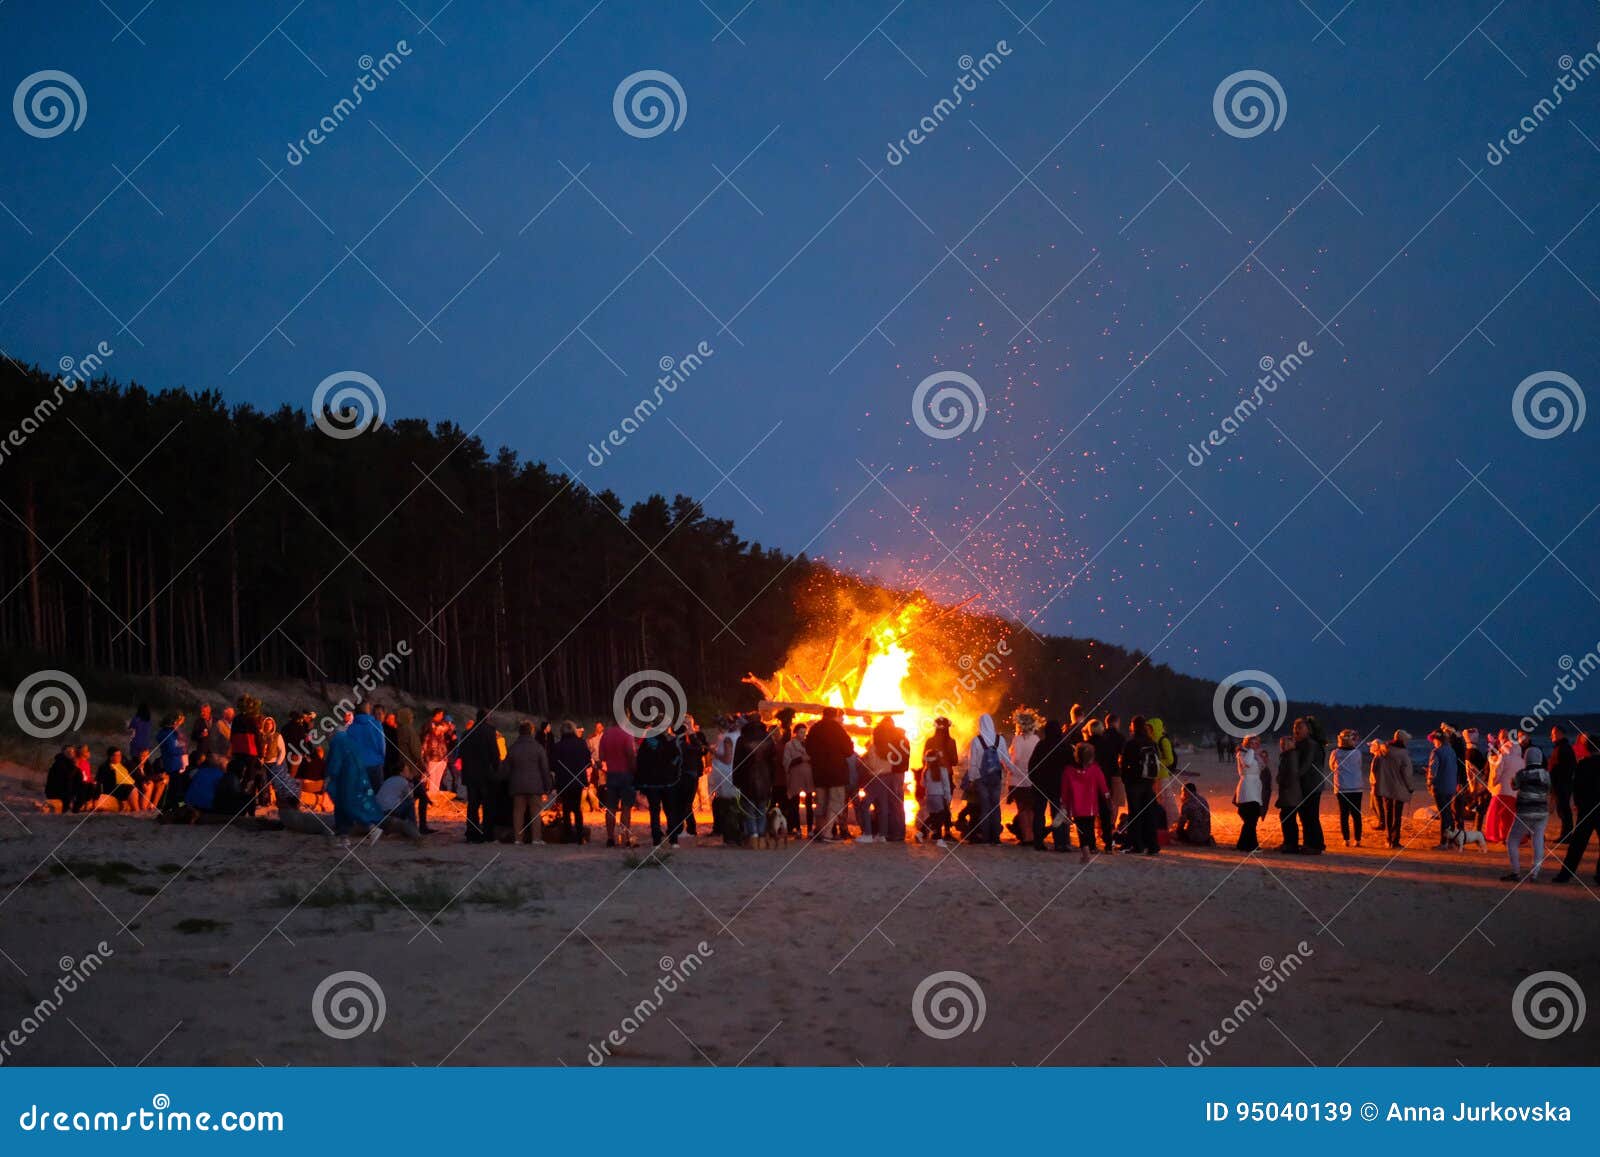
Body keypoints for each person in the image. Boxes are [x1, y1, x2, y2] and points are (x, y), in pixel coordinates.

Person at [325, 727, 385, 848]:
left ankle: (347, 836)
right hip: (358, 777)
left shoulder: (337, 742)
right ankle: (367, 829)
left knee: (345, 805)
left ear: (331, 734)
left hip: (346, 779)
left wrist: (330, 777)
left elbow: (335, 762)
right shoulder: (350, 740)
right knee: (354, 804)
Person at [1553, 733, 1600, 885]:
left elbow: (1577, 786)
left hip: (1586, 808)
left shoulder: (1583, 764)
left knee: (1577, 845)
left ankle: (1565, 875)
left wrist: (1577, 803)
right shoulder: (1584, 764)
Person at [964, 714, 1015, 845]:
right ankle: (996, 837)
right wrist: (1014, 771)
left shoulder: (976, 740)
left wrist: (972, 778)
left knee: (985, 807)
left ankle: (986, 836)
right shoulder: (1000, 739)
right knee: (995, 806)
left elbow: (972, 762)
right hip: (996, 777)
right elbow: (1006, 759)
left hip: (981, 778)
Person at [806, 707, 854, 843]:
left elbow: (808, 749)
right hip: (836, 774)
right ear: (836, 715)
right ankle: (827, 834)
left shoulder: (814, 729)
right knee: (835, 803)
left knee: (821, 802)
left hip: (819, 773)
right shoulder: (838, 730)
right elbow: (849, 751)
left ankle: (819, 831)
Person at [1503, 745, 1551, 883]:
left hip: (1525, 812)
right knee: (1538, 840)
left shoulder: (1522, 774)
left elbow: (1514, 786)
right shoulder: (1545, 774)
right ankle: (1535, 873)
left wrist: (1512, 781)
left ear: (1526, 758)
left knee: (1512, 840)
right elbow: (1548, 789)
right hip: (1542, 812)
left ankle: (1516, 872)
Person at [1118, 717, 1163, 854]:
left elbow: (1124, 763)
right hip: (1148, 781)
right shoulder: (1151, 742)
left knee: (1135, 814)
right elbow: (1157, 760)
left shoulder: (1131, 743)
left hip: (1134, 782)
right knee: (1149, 813)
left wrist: (1125, 778)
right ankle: (1153, 845)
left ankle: (1137, 845)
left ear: (1133, 726)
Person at [636, 727, 684, 847]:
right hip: (667, 782)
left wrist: (641, 782)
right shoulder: (669, 741)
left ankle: (656, 840)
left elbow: (640, 762)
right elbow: (677, 757)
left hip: (652, 783)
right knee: (670, 811)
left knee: (654, 812)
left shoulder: (646, 743)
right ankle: (673, 840)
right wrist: (673, 773)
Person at [1062, 741, 1110, 863]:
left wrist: (1064, 804)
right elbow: (1103, 786)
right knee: (1089, 827)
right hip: (1091, 806)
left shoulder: (1069, 771)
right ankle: (1089, 848)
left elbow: (1065, 790)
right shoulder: (1095, 769)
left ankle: (1085, 852)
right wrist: (1108, 799)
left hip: (1077, 806)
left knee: (1081, 830)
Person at [459, 709, 502, 844]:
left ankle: (472, 832)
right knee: (487, 805)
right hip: (485, 774)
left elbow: (461, 753)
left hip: (470, 775)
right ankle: (487, 833)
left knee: (473, 805)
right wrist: (497, 769)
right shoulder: (489, 732)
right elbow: (494, 753)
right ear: (487, 718)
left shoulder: (467, 733)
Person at [507, 720, 553, 845]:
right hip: (535, 785)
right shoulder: (538, 747)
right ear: (531, 731)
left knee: (518, 812)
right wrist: (547, 786)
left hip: (517, 785)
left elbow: (506, 767)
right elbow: (544, 768)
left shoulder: (513, 747)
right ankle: (536, 838)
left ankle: (518, 838)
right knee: (535, 813)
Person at [598, 716, 639, 848]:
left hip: (611, 774)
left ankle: (610, 838)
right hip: (626, 774)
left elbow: (601, 757)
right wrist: (635, 771)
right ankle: (625, 838)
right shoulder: (627, 734)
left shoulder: (606, 734)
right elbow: (631, 755)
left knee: (610, 808)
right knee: (626, 808)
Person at [1369, 731, 1414, 849]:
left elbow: (1375, 768)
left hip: (1385, 787)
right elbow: (1407, 773)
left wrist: (1377, 783)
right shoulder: (1403, 753)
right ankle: (1395, 840)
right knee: (1397, 815)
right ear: (1403, 740)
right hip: (1399, 787)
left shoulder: (1383, 751)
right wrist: (1410, 787)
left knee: (1388, 812)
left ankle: (1388, 839)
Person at [550, 721, 591, 842]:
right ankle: (579, 834)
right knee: (577, 808)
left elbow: (552, 764)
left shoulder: (558, 746)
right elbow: (588, 762)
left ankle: (567, 835)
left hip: (563, 780)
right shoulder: (581, 744)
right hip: (578, 780)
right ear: (573, 730)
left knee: (566, 808)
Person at [1007, 710, 1042, 845]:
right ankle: (1031, 835)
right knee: (1030, 809)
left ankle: (1026, 837)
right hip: (1032, 779)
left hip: (1018, 780)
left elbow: (1015, 759)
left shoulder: (1018, 740)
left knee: (1022, 809)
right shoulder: (1036, 739)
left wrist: (1007, 765)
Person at [1293, 717, 1326, 854]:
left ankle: (1316, 845)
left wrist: (1294, 776)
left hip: (1312, 784)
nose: (1296, 730)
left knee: (1311, 815)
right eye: (1295, 727)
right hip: (1305, 784)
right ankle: (1308, 843)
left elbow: (1306, 764)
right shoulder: (1301, 743)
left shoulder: (1311, 744)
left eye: (1300, 727)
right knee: (1305, 815)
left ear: (1308, 730)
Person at [1329, 729, 1367, 847]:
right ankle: (1358, 840)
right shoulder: (1357, 753)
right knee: (1356, 814)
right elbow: (1359, 765)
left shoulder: (1335, 753)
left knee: (1344, 814)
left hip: (1342, 787)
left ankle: (1346, 839)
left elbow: (1331, 766)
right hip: (1356, 786)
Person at [1484, 730, 1522, 845]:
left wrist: (1492, 784)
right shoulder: (1520, 758)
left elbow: (1497, 773)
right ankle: (1507, 837)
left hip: (1501, 790)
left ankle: (1494, 836)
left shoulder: (1503, 755)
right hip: (1513, 792)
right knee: (1508, 816)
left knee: (1494, 815)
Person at [1233, 734, 1271, 852]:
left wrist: (1261, 756)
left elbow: (1263, 767)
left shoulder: (1254, 754)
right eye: (1252, 743)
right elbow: (1247, 763)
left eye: (1256, 743)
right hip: (1247, 788)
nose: (1255, 745)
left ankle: (1244, 844)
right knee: (1251, 819)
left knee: (1252, 819)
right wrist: (1252, 751)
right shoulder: (1243, 754)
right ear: (1247, 743)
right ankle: (1251, 845)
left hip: (1255, 788)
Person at [1425, 730, 1460, 848]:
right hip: (1451, 786)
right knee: (1448, 813)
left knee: (1444, 814)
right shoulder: (1451, 751)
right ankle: (1451, 841)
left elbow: (1433, 770)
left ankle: (1444, 842)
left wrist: (1429, 783)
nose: (1433, 742)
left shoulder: (1436, 752)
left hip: (1440, 786)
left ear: (1437, 740)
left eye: (1434, 740)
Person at [784, 722, 815, 837]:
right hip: (795, 777)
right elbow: (786, 761)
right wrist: (800, 759)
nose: (803, 734)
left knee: (809, 804)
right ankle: (797, 829)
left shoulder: (809, 745)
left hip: (808, 777)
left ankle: (810, 829)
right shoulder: (789, 745)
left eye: (804, 732)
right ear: (796, 733)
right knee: (795, 804)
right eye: (801, 732)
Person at [347, 703, 387, 793]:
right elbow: (382, 746)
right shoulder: (377, 725)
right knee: (378, 794)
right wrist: (382, 760)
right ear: (368, 711)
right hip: (375, 765)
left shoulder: (351, 728)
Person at [1548, 725, 1577, 843]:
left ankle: (1567, 836)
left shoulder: (1563, 748)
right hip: (1561, 784)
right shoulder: (1560, 747)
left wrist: (1557, 780)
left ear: (1560, 734)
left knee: (1563, 809)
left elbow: (1566, 768)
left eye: (1553, 733)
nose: (1551, 736)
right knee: (1562, 809)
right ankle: (1566, 835)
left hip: (1562, 784)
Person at [154, 712, 188, 810]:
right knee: (176, 786)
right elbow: (172, 749)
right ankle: (175, 806)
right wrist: (182, 750)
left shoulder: (170, 733)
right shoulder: (167, 734)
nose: (178, 724)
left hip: (174, 763)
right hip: (172, 763)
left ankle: (171, 806)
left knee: (175, 786)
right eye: (177, 722)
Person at [1275, 736, 1303, 853]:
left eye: (1285, 744)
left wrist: (1282, 781)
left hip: (1290, 792)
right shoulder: (1288, 755)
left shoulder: (1291, 756)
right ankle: (1289, 843)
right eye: (1281, 744)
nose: (1283, 746)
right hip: (1289, 792)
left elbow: (1292, 773)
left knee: (1288, 818)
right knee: (1287, 818)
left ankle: (1291, 844)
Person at [126, 704, 153, 771]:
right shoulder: (148, 721)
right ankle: (145, 773)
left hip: (136, 742)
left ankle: (136, 774)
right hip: (146, 743)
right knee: (144, 761)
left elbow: (130, 728)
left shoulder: (136, 719)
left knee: (135, 761)